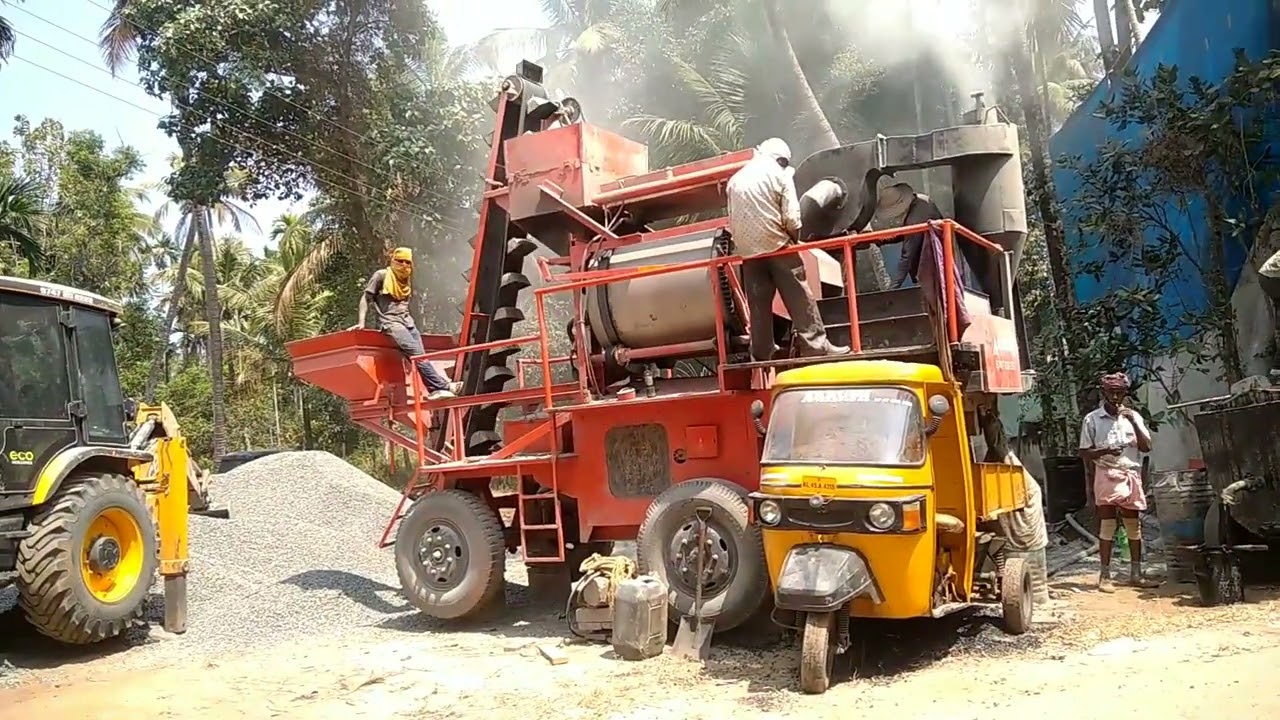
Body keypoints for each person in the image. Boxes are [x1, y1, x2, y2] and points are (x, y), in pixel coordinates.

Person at [725, 137, 849, 362]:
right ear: (781, 160)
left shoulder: (735, 179)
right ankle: (816, 345)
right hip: (776, 244)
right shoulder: (779, 175)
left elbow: (732, 219)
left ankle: (761, 352)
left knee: (758, 301)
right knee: (799, 295)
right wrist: (794, 241)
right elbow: (792, 218)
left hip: (748, 252)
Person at [1078, 372, 1158, 592]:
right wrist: (1105, 450)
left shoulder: (1134, 416)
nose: (1115, 397)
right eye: (1111, 392)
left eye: (1120, 393)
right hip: (1106, 473)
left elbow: (1146, 447)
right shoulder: (1092, 419)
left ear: (1125, 393)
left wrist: (1132, 420)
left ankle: (1136, 573)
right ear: (1103, 393)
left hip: (1130, 473)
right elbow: (1084, 452)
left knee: (1133, 523)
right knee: (1108, 523)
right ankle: (1105, 576)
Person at [350, 247, 461, 401]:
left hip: (408, 322)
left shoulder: (406, 279)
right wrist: (361, 322)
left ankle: (434, 389)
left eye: (407, 262)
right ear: (392, 261)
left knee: (420, 357)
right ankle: (445, 386)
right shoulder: (381, 276)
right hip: (392, 323)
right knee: (418, 355)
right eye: (399, 261)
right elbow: (365, 298)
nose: (403, 265)